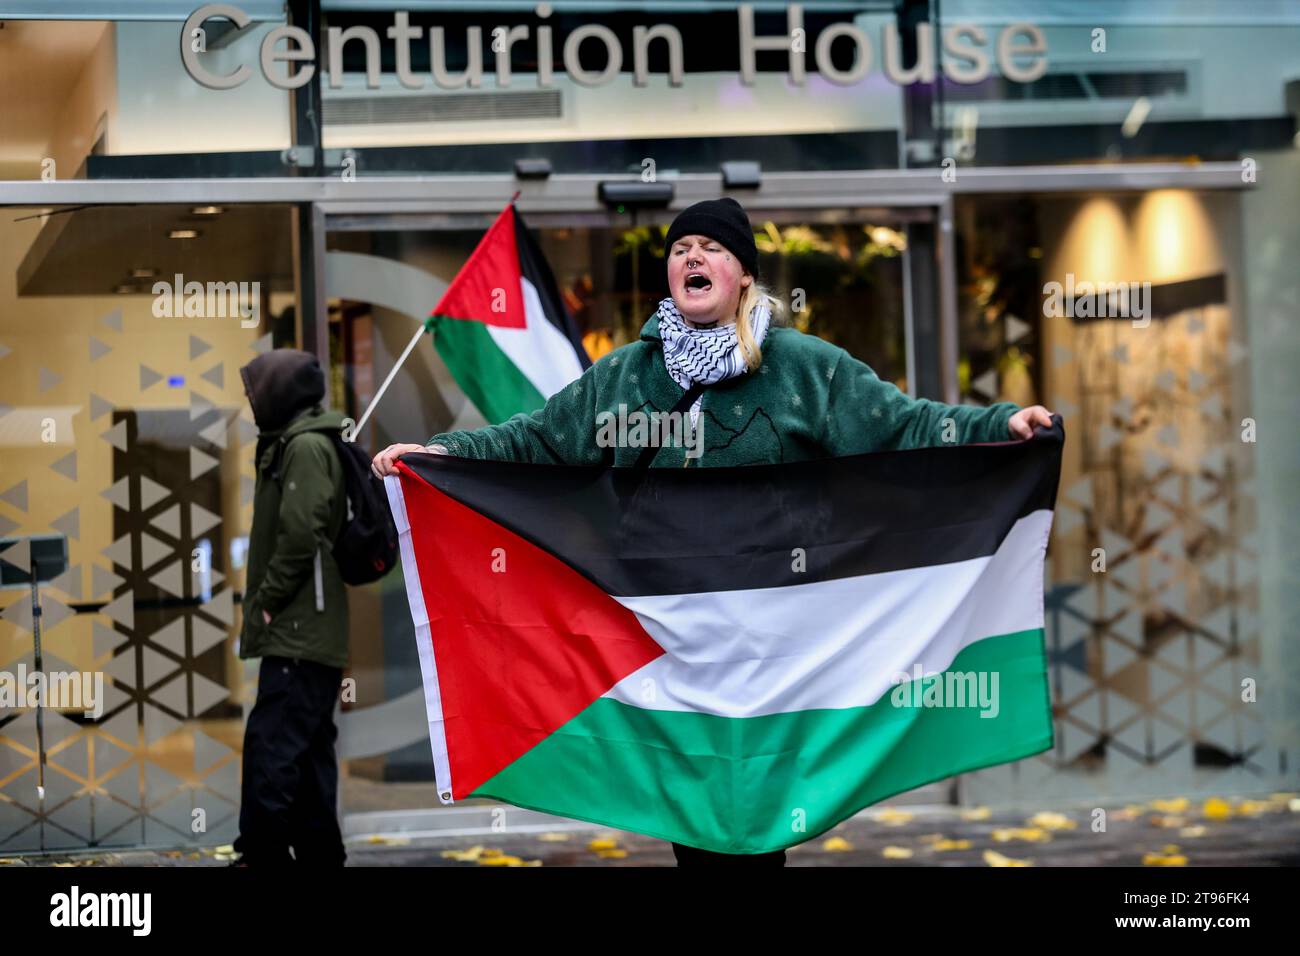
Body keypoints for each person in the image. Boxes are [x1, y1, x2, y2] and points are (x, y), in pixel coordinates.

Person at [372, 197, 1055, 865]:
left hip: (776, 650)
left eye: (712, 248)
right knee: (697, 828)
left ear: (744, 275)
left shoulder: (804, 369)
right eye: (679, 249)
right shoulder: (625, 377)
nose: (692, 256)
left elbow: (903, 426)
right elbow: (538, 442)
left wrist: (998, 427)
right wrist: (443, 457)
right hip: (671, 643)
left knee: (758, 825)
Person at [233, 349, 350, 867]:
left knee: (272, 747)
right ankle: (322, 858)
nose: (251, 402)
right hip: (310, 631)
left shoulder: (303, 447)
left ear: (279, 392)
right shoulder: (299, 443)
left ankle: (262, 857)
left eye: (255, 392)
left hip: (298, 629)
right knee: (307, 753)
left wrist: (266, 603)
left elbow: (302, 532)